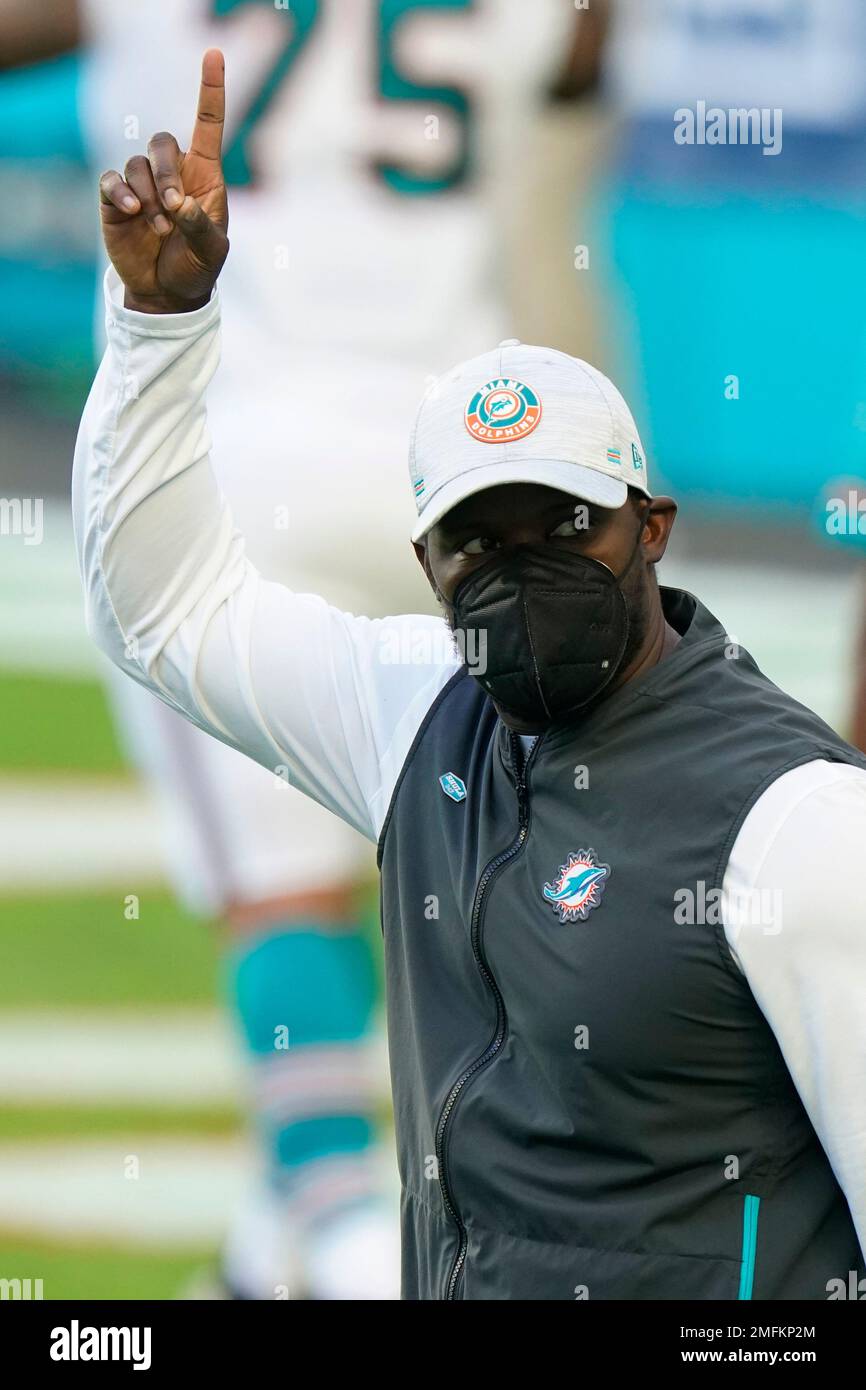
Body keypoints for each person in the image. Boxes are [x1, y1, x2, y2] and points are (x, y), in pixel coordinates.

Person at [75, 51, 866, 1299]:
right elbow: (165, 611)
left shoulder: (798, 821)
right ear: (423, 563)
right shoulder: (415, 716)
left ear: (648, 528)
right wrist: (160, 332)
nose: (519, 570)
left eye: (563, 530)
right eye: (477, 542)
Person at [1, 0, 569, 1297]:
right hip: (467, 467)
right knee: (480, 885)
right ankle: (273, 1253)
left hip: (237, 448)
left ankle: (347, 1233)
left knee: (281, 893)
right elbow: (580, 90)